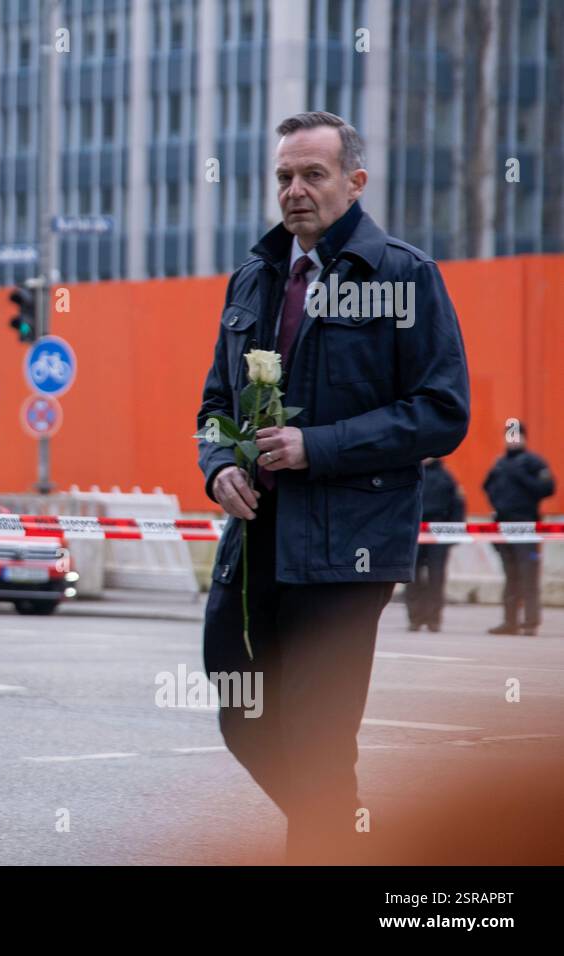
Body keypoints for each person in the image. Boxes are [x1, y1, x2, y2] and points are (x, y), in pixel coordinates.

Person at [196, 111, 470, 863]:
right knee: (240, 713)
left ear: (355, 181)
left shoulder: (402, 274)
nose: (294, 190)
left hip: (348, 548)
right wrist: (218, 464)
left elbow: (442, 412)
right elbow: (215, 406)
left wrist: (315, 447)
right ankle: (346, 835)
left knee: (317, 739)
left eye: (312, 174)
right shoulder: (253, 275)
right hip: (254, 541)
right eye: (284, 175)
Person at [484, 424, 555, 636]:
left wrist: (520, 476)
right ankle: (510, 621)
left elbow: (547, 488)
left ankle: (531, 622)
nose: (512, 440)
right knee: (510, 575)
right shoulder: (500, 463)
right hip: (503, 525)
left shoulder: (533, 462)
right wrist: (498, 504)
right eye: (509, 436)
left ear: (524, 438)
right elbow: (487, 487)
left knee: (528, 575)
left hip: (526, 526)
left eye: (516, 436)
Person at [406, 458, 464, 632]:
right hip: (414, 532)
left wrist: (454, 534)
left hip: (439, 534)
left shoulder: (446, 477)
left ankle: (433, 619)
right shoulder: (412, 475)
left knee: (436, 577)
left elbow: (457, 507)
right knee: (412, 577)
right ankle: (415, 618)